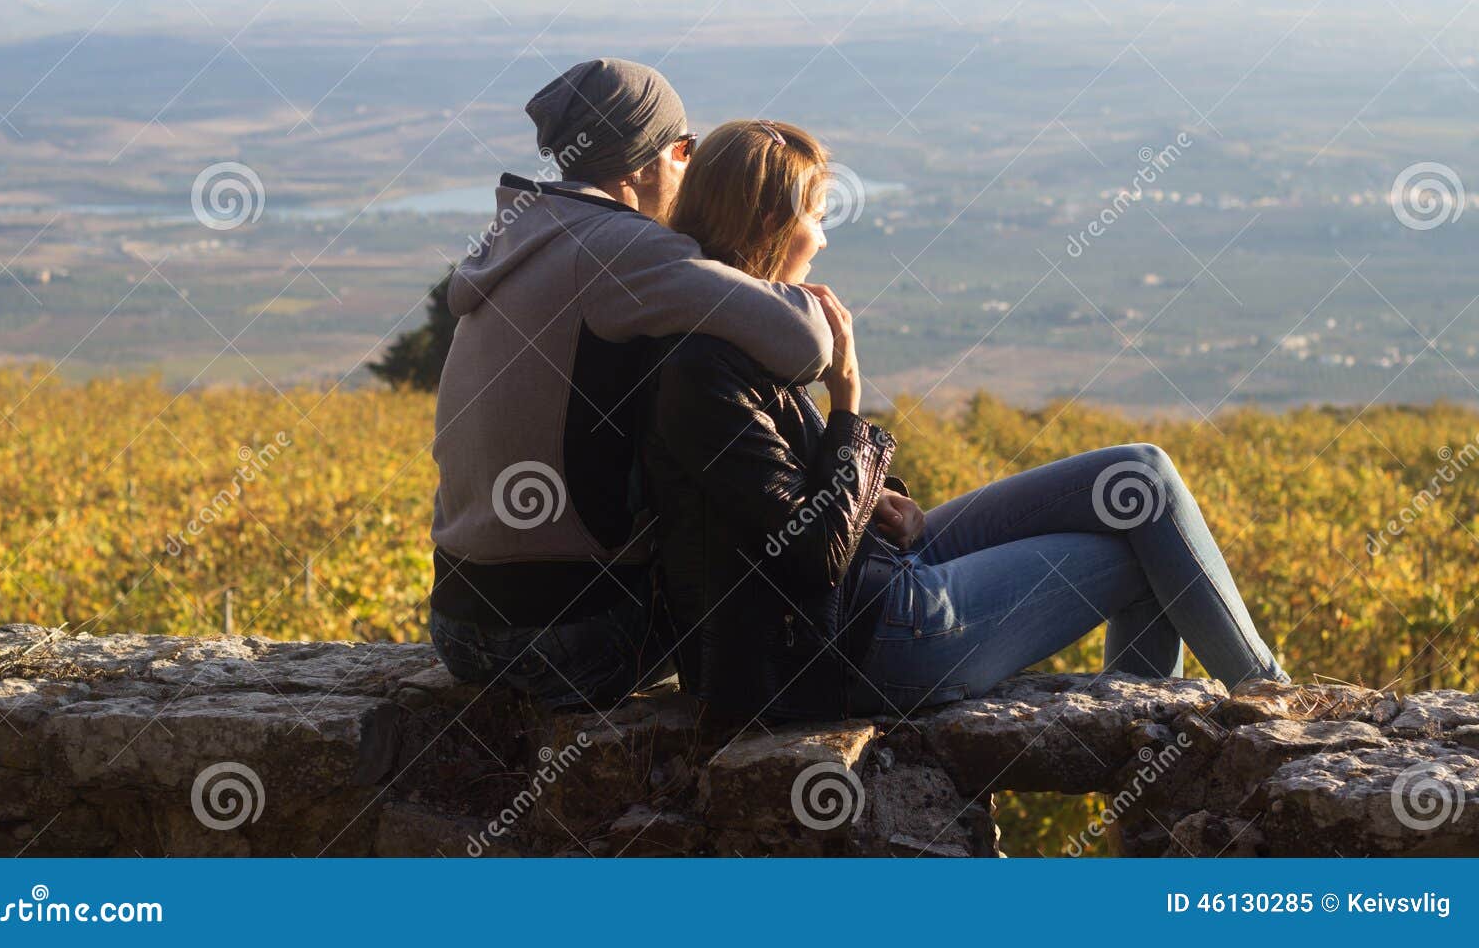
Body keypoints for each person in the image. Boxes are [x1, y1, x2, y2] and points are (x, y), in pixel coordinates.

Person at [643, 118, 1290, 722]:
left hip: (869, 588)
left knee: (1138, 476)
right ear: (768, 223)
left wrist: (881, 496)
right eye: (815, 217)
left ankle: (1256, 699)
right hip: (855, 646)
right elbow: (811, 552)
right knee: (1137, 558)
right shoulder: (705, 369)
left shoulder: (734, 334)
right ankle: (1264, 709)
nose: (825, 236)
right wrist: (846, 402)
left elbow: (788, 485)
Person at [429, 61, 835, 710]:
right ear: (662, 158)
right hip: (574, 639)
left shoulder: (519, 237)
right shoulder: (621, 249)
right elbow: (804, 342)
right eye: (687, 154)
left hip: (458, 625)